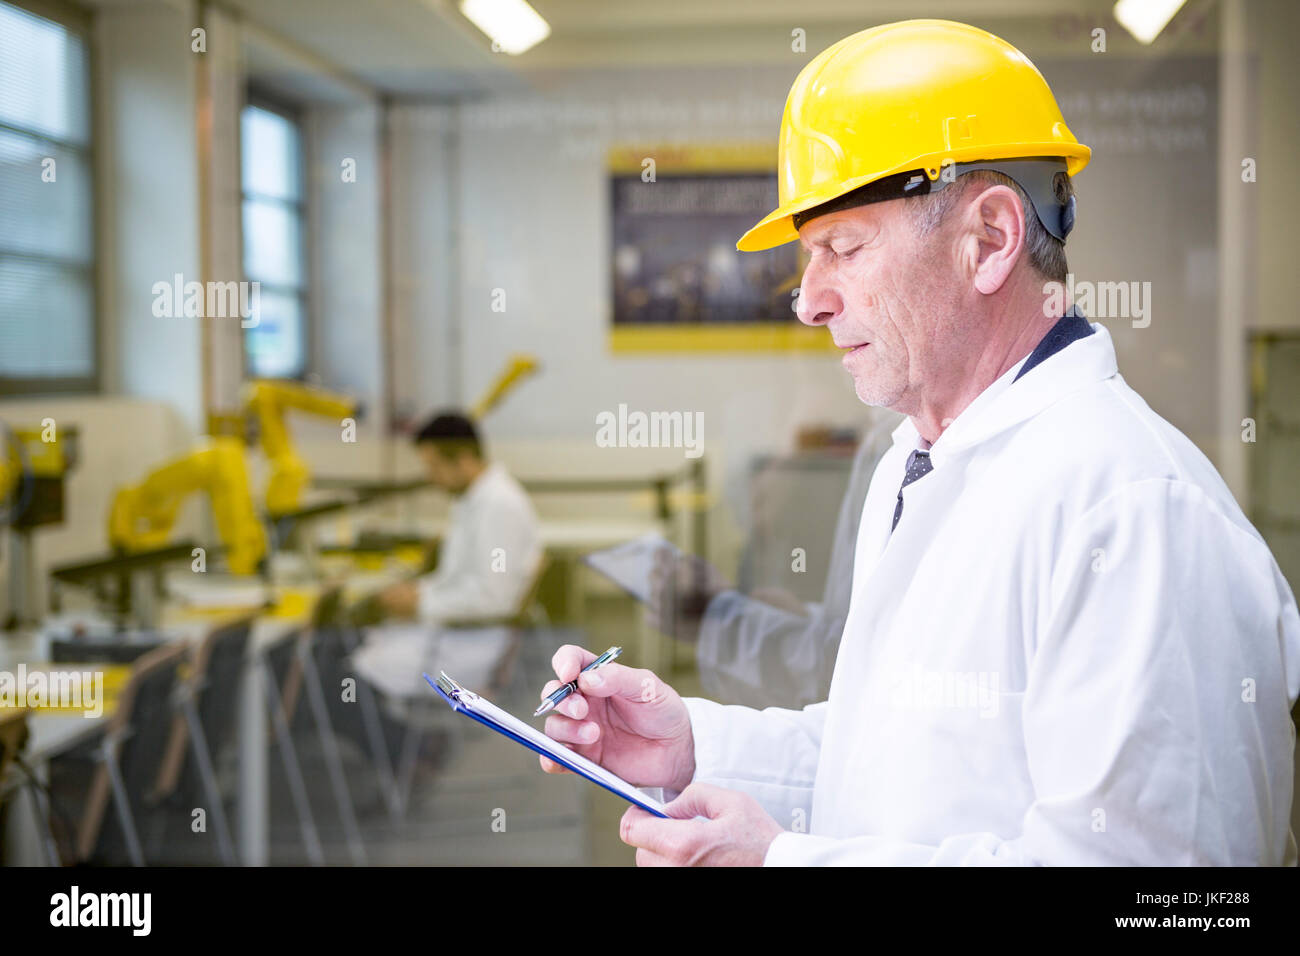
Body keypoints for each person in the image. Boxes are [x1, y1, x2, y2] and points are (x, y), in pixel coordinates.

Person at [537, 20, 1300, 865]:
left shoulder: (1136, 514)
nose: (809, 302)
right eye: (807, 257)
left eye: (843, 248)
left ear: (991, 239)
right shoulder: (919, 461)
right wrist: (692, 747)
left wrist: (783, 862)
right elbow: (890, 763)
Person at [648, 412, 902, 709]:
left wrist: (720, 621)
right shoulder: (892, 450)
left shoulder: (893, 453)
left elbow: (843, 668)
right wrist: (807, 618)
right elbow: (860, 632)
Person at [352, 412, 541, 697]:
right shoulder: (472, 500)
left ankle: (393, 737)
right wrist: (416, 591)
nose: (431, 477)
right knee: (358, 649)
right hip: (455, 631)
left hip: (469, 644)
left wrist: (421, 602)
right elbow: (456, 579)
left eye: (434, 466)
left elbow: (494, 599)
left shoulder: (500, 506)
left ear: (464, 459)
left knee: (353, 669)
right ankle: (394, 734)